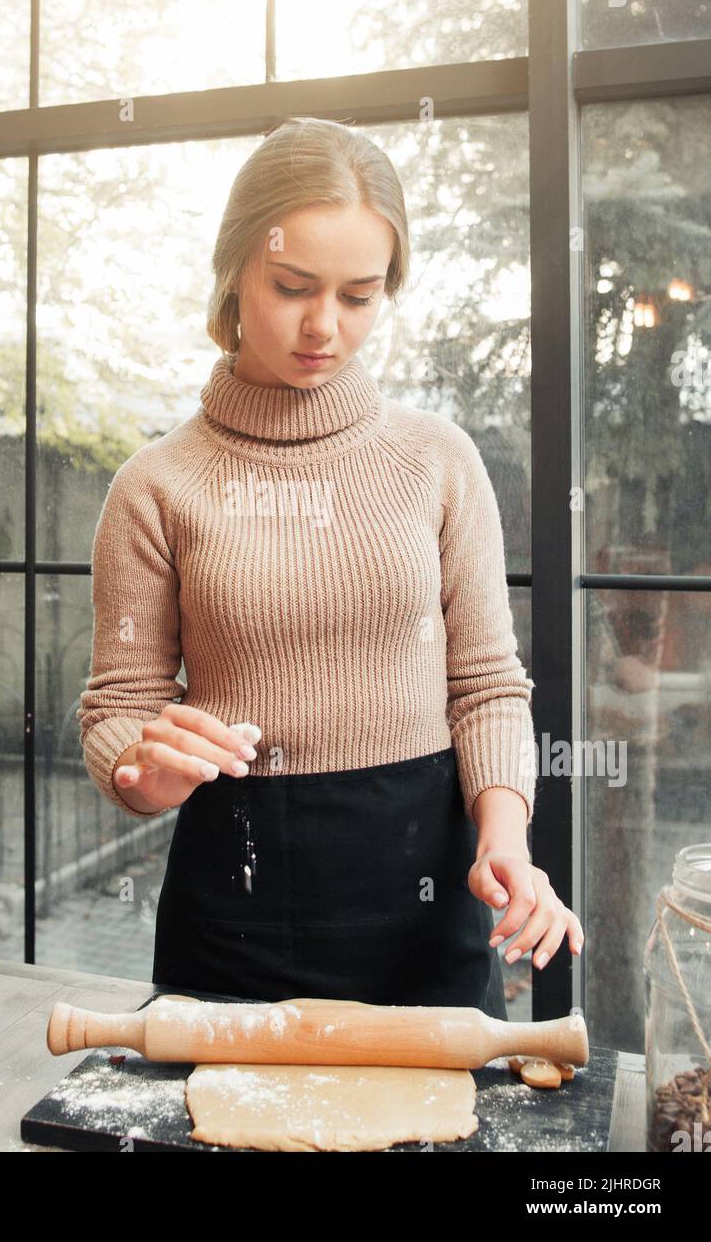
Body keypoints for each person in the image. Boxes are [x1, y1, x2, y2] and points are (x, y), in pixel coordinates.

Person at [77, 116, 584, 1012]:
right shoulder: (155, 487)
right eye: (292, 286)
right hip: (230, 918)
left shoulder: (437, 459)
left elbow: (486, 685)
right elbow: (119, 711)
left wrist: (505, 835)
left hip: (427, 921)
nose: (324, 326)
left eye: (359, 295)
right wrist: (145, 773)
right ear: (237, 269)